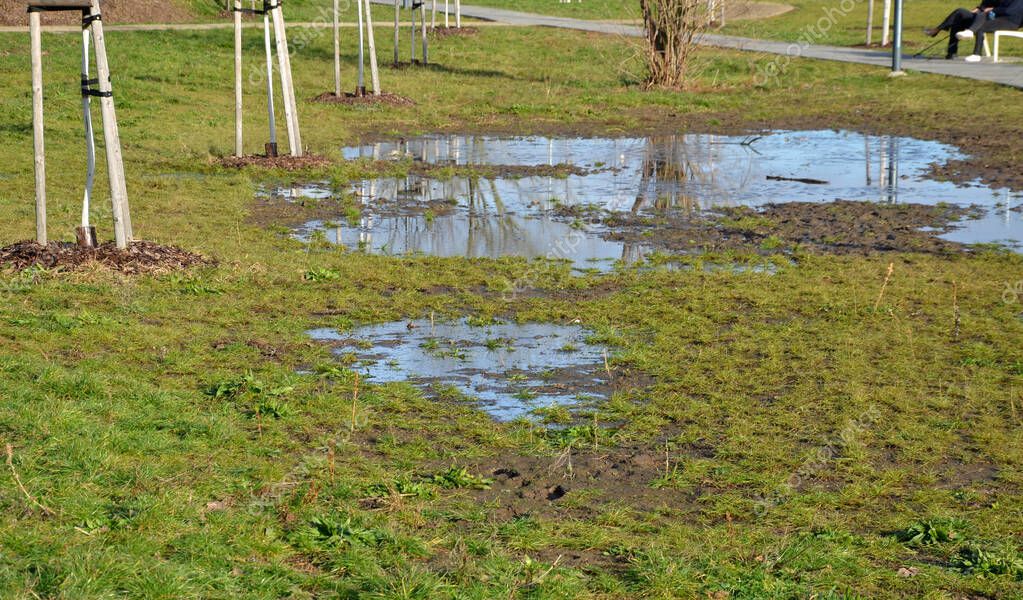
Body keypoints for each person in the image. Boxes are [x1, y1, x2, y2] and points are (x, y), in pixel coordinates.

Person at [925, 0, 999, 59]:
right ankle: (952, 52)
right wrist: (970, 13)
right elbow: (982, 7)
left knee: (979, 20)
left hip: (995, 19)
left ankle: (936, 30)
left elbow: (1004, 9)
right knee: (959, 14)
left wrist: (991, 9)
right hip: (980, 16)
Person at [953, 0, 1023, 61]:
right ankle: (970, 32)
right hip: (1001, 19)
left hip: (1011, 22)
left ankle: (976, 54)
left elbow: (1010, 11)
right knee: (981, 19)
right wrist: (986, 10)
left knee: (981, 25)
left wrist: (993, 10)